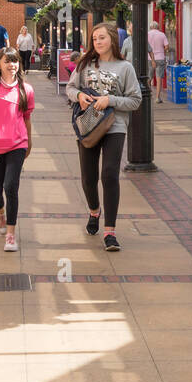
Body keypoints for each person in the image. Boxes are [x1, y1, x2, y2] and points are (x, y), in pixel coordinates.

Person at [66, 22, 142, 252]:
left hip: (115, 125)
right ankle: (94, 211)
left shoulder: (125, 67)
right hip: (88, 124)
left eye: (102, 38)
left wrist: (111, 100)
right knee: (88, 178)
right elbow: (70, 88)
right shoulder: (85, 64)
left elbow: (135, 100)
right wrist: (79, 95)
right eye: (95, 39)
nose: (98, 42)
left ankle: (110, 231)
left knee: (109, 174)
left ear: (112, 40)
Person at [0, 46, 35, 253]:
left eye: (15, 61)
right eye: (7, 61)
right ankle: (0, 212)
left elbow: (27, 118)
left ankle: (11, 234)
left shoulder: (25, 90)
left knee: (11, 187)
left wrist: (29, 141)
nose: (12, 65)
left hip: (17, 144)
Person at [147, 20, 169, 102]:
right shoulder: (162, 34)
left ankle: (148, 96)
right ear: (158, 27)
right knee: (159, 78)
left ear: (150, 27)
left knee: (149, 78)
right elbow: (166, 47)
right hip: (160, 58)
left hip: (149, 58)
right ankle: (157, 97)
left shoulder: (147, 34)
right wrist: (161, 50)